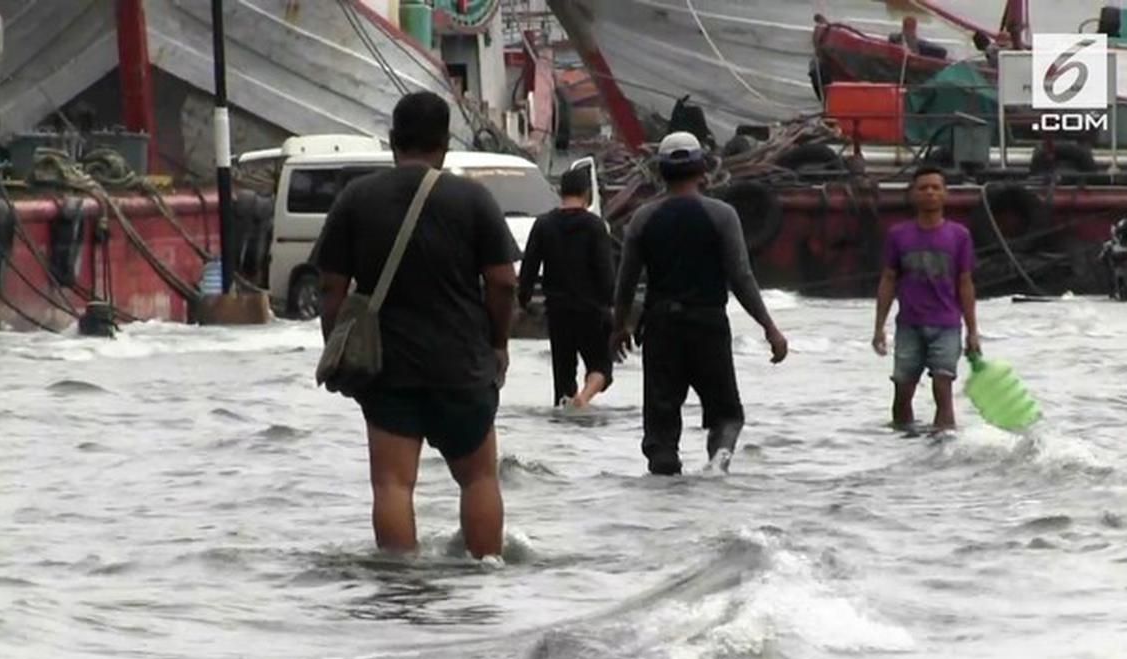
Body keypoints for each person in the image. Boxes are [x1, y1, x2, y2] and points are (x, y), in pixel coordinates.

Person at [315, 92, 521, 559]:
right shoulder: (472, 199)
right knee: (479, 478)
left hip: (388, 368)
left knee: (392, 485)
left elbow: (330, 288)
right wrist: (498, 342)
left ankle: (399, 584)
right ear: (444, 144)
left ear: (392, 141)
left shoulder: (356, 198)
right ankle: (487, 572)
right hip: (462, 365)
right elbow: (503, 282)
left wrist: (337, 347)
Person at [612, 131, 788, 476]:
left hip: (661, 330)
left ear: (660, 172)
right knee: (726, 415)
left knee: (661, 429)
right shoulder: (722, 216)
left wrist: (619, 327)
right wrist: (770, 328)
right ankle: (718, 463)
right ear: (702, 170)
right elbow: (741, 277)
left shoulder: (642, 219)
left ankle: (665, 498)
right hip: (708, 327)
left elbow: (626, 282)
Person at [872, 165, 979, 432]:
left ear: (945, 194)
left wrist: (973, 331)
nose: (929, 192)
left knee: (942, 387)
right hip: (909, 324)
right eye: (923, 188)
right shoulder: (898, 235)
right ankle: (904, 442)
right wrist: (879, 328)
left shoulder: (959, 236)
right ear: (913, 195)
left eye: (935, 187)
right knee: (903, 389)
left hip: (947, 325)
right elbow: (888, 279)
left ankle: (943, 446)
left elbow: (965, 283)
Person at [518, 166, 616, 408]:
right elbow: (606, 272)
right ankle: (584, 398)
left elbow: (529, 267)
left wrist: (525, 300)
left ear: (560, 191)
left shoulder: (543, 224)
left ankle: (567, 404)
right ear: (586, 193)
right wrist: (611, 306)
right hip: (591, 310)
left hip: (558, 311)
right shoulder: (595, 226)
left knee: (563, 377)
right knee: (601, 366)